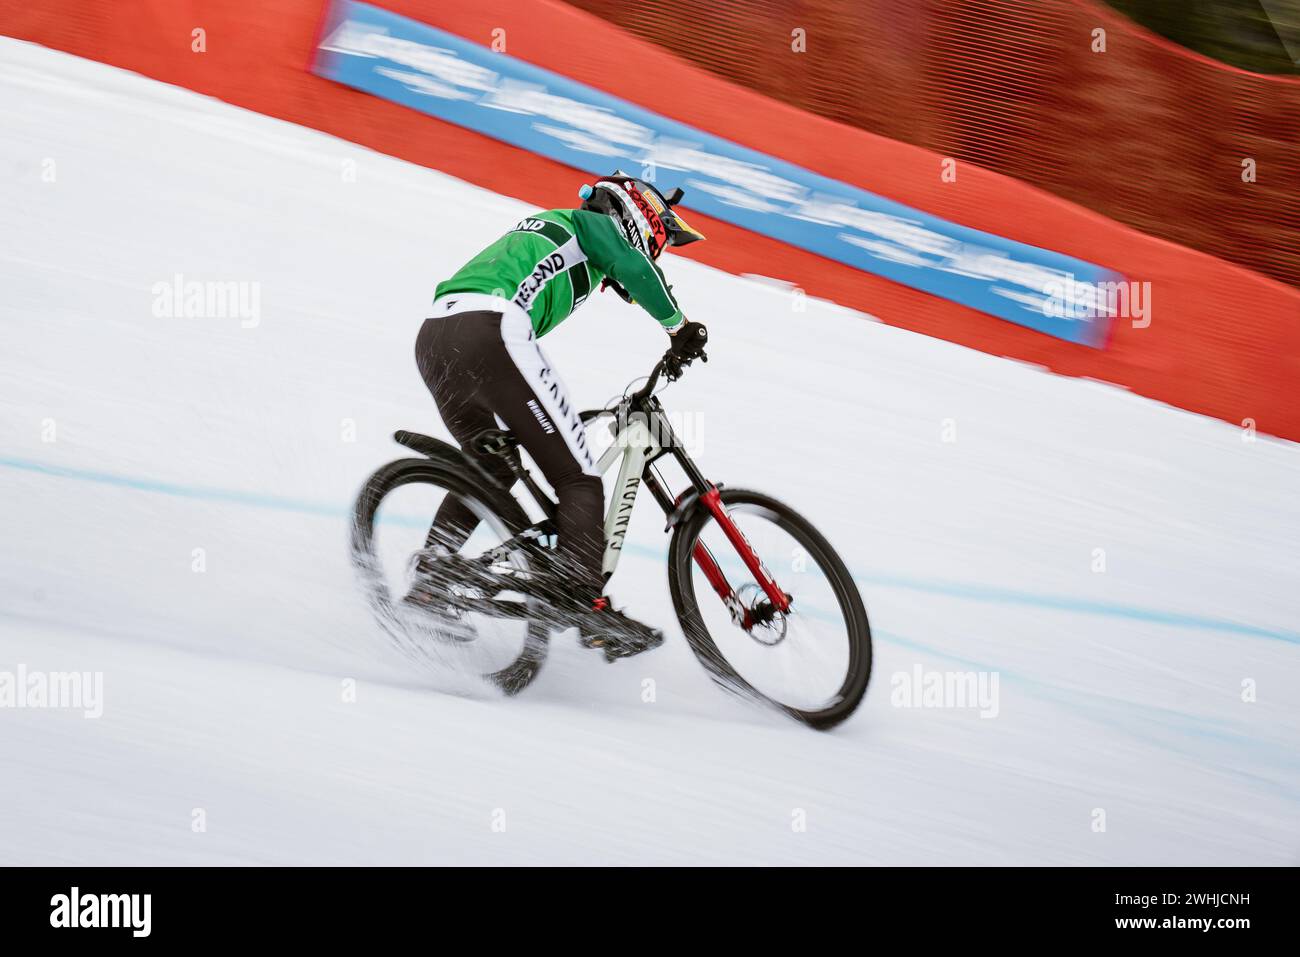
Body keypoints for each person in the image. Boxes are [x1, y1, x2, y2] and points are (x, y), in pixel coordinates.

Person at [413, 171, 709, 653]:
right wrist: (679, 327)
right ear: (635, 218)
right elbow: (633, 266)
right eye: (657, 240)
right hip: (490, 329)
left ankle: (430, 577)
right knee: (578, 477)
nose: (655, 254)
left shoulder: (550, 231)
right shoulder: (590, 227)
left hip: (435, 337)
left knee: (491, 468)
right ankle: (584, 602)